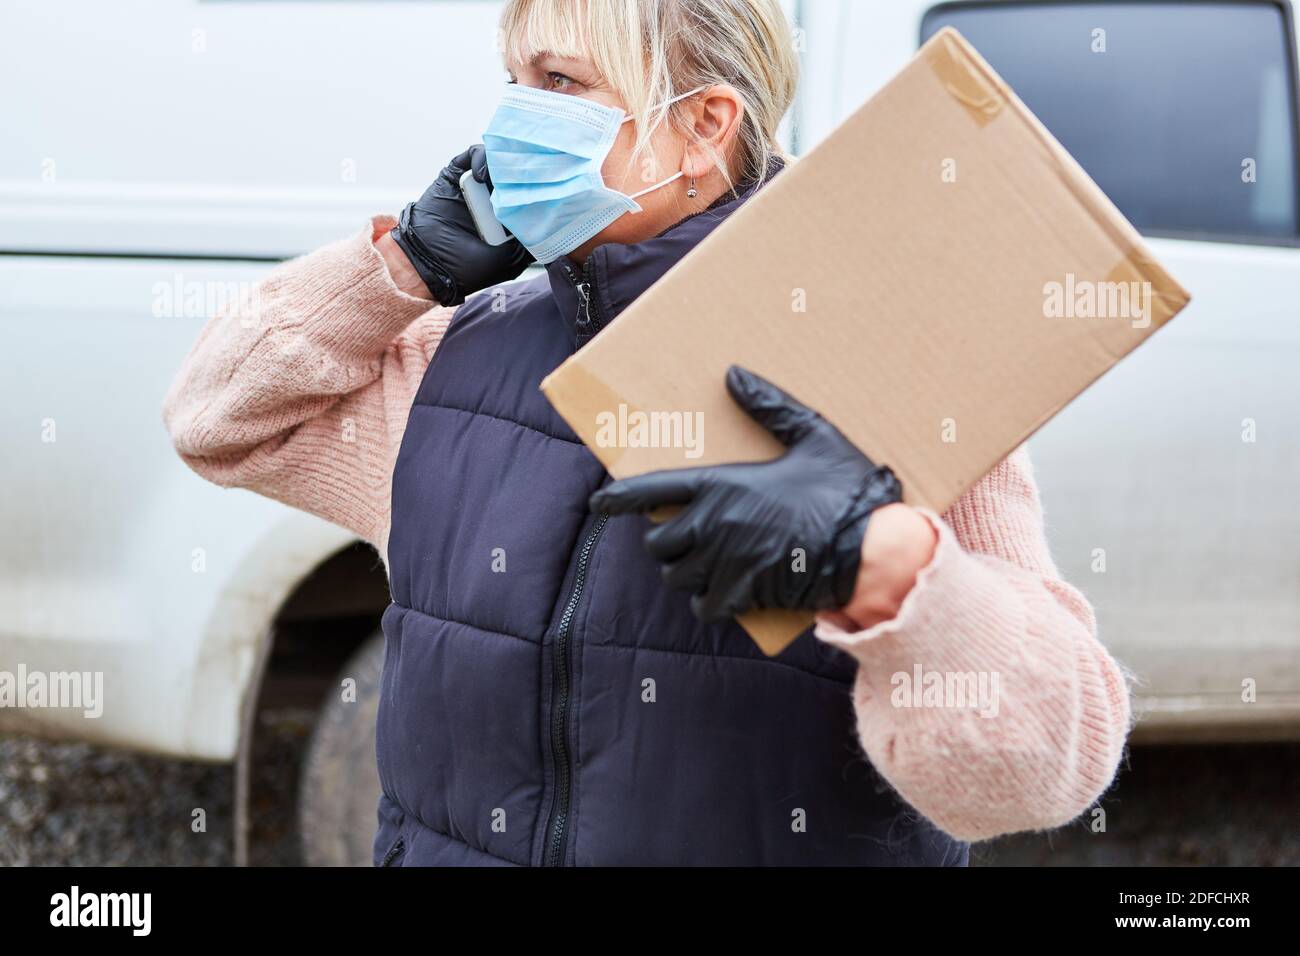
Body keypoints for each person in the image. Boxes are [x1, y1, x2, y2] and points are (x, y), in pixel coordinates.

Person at [163, 0, 1131, 866]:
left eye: (559, 84)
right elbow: (215, 416)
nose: (510, 123)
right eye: (512, 82)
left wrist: (885, 563)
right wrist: (405, 264)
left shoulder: (888, 364)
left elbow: (1047, 771)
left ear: (704, 127)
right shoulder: (455, 350)